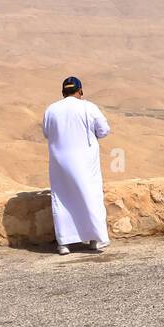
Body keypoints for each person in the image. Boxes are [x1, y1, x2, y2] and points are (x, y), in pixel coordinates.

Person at [41, 76, 111, 255]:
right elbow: (103, 130)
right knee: (91, 196)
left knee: (62, 198)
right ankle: (95, 240)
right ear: (80, 91)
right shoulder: (88, 107)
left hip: (60, 163)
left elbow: (47, 133)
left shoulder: (51, 109)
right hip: (86, 163)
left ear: (63, 92)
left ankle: (64, 243)